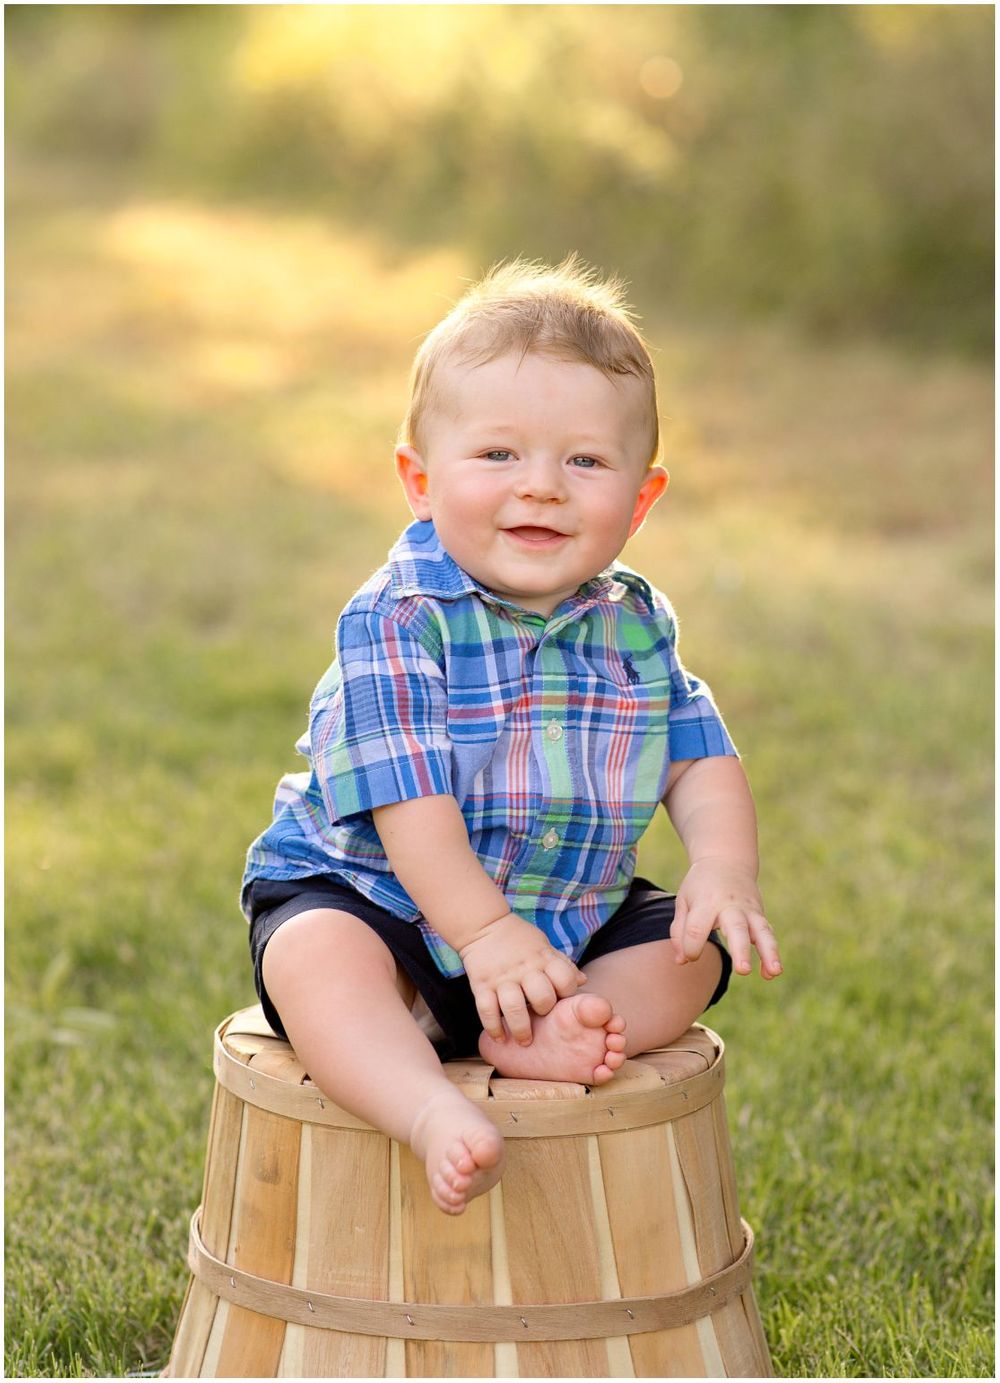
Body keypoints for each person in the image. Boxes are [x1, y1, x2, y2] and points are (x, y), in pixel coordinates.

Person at [241, 256, 782, 1216]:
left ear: (641, 499)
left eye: (585, 462)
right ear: (419, 480)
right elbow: (409, 803)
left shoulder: (634, 622)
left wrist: (723, 868)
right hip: (388, 904)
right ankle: (422, 1105)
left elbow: (697, 753)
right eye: (497, 455)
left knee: (691, 950)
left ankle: (559, 1028)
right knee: (314, 953)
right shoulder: (400, 618)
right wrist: (485, 935)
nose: (541, 488)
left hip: (566, 918)